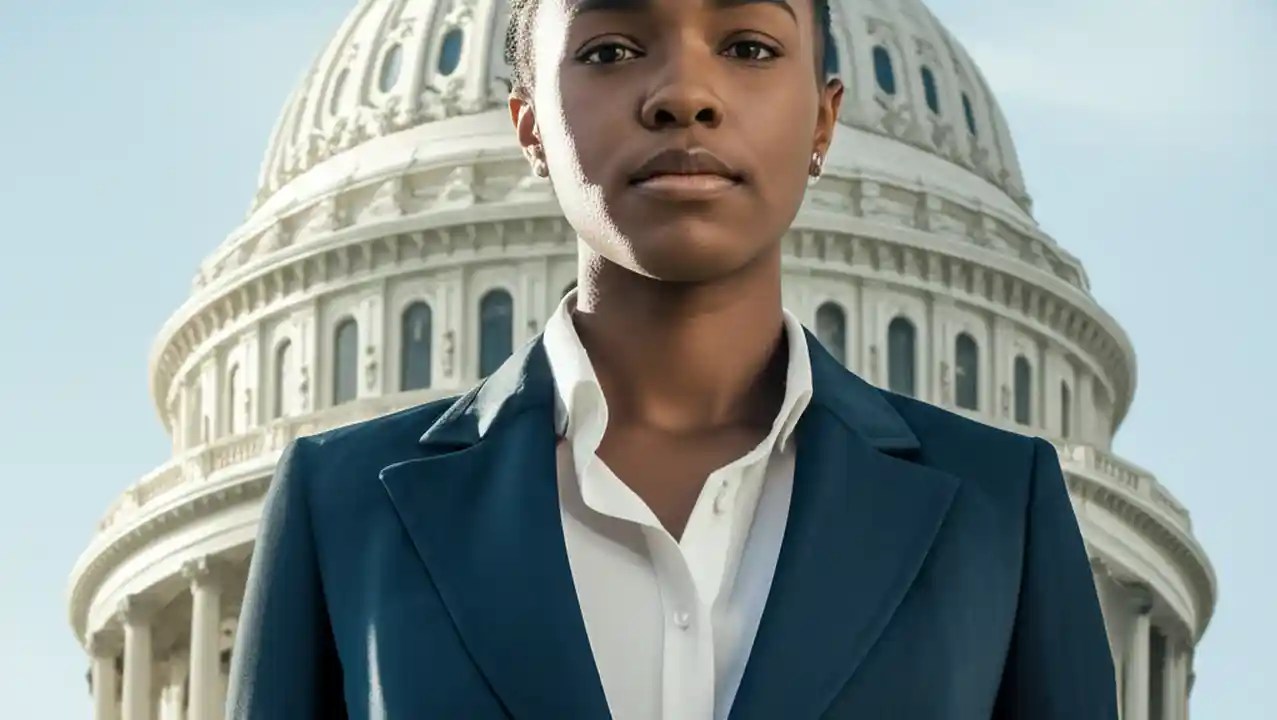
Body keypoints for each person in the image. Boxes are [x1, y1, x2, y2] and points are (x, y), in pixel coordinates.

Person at [227, 0, 1118, 717]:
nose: (684, 93)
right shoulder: (342, 508)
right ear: (528, 124)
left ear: (825, 119)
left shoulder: (1001, 513)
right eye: (611, 48)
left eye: (749, 45)